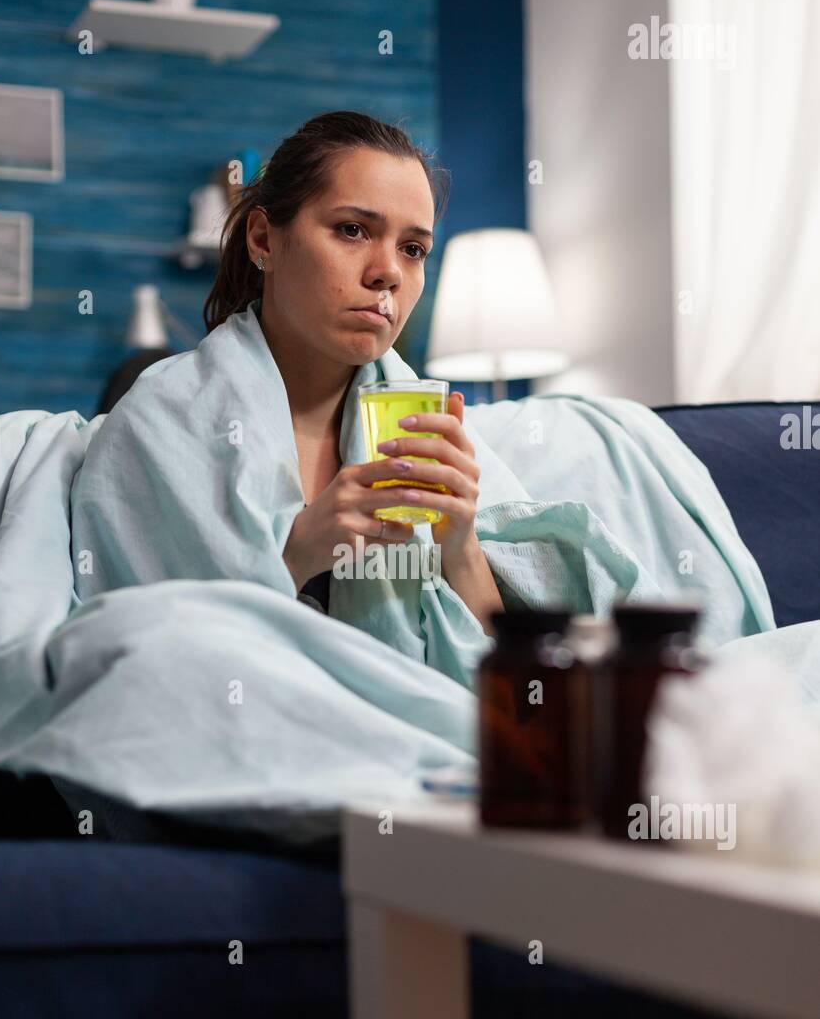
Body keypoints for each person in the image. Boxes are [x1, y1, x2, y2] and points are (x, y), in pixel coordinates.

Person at [72, 110, 506, 636]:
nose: (388, 272)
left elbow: (508, 676)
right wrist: (296, 554)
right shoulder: (163, 417)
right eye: (352, 230)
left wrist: (460, 544)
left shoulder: (425, 429)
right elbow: (140, 649)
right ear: (263, 240)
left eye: (412, 249)